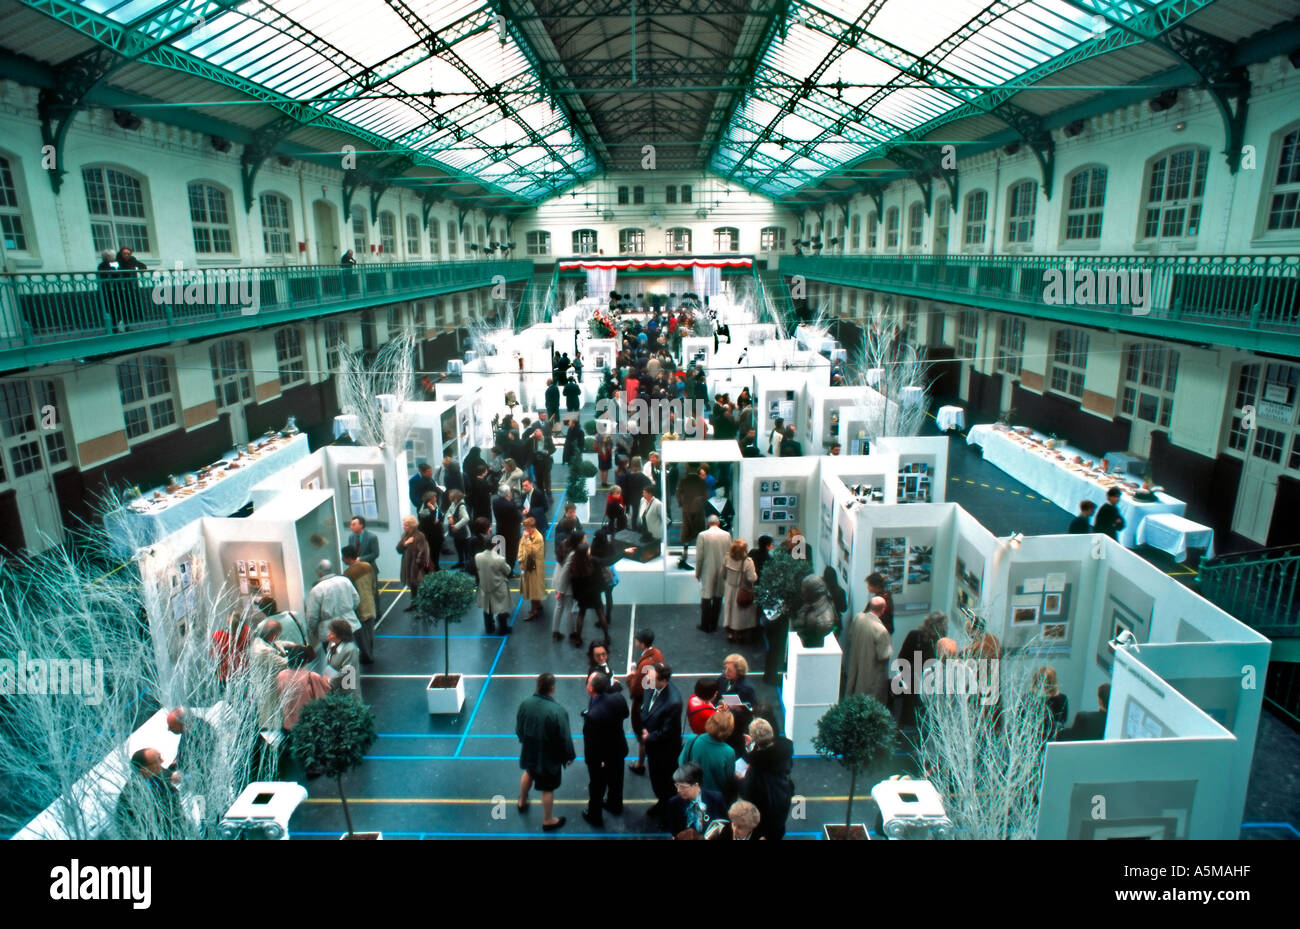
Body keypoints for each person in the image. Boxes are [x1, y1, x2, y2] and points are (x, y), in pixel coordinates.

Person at [516, 672, 576, 832]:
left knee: (529, 773)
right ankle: (548, 820)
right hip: (549, 757)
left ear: (538, 685)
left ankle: (522, 801)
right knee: (547, 788)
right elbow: (564, 737)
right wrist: (569, 756)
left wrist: (525, 741)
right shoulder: (558, 711)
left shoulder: (525, 703)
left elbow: (519, 729)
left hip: (530, 750)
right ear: (552, 688)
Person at [581, 671, 629, 828]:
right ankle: (615, 805)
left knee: (596, 787)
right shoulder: (618, 698)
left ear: (591, 689)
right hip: (618, 748)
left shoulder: (592, 716)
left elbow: (592, 744)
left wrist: (597, 761)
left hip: (601, 758)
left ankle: (594, 816)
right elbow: (625, 714)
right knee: (617, 780)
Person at [739, 717, 794, 840]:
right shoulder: (784, 752)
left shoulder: (756, 767)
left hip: (764, 818)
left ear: (753, 738)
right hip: (781, 805)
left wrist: (741, 779)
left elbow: (747, 794)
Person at [115, 747, 188, 839]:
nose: (162, 761)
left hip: (178, 828)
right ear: (144, 770)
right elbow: (126, 827)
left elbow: (170, 776)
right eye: (157, 760)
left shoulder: (155, 771)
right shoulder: (131, 796)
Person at [641, 661, 683, 819]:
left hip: (665, 751)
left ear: (663, 681)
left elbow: (667, 731)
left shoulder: (673, 702)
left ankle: (668, 811)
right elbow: (645, 708)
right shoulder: (651, 686)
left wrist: (648, 736)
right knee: (656, 779)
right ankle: (662, 802)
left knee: (667, 783)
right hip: (653, 747)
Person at [896, 610, 947, 727]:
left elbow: (901, 659)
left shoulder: (915, 636)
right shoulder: (939, 643)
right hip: (927, 686)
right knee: (923, 720)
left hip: (915, 685)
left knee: (909, 717)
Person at [679, 708, 737, 803]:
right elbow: (728, 780)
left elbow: (681, 762)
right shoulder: (729, 752)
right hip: (714, 798)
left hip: (692, 793)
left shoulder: (692, 739)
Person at [305, 560, 361, 660]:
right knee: (350, 656)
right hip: (349, 625)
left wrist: (313, 631)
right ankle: (352, 675)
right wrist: (348, 611)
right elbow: (356, 599)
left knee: (334, 660)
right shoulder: (345, 581)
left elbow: (312, 616)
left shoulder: (317, 590)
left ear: (319, 573)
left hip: (329, 631)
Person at [626, 629, 663, 776]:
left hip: (643, 704)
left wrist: (631, 677)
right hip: (655, 699)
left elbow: (636, 691)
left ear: (641, 643)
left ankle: (640, 764)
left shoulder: (645, 663)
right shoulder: (657, 654)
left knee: (642, 734)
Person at [846, 596, 893, 704]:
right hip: (871, 675)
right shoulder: (881, 630)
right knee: (869, 703)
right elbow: (884, 655)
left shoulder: (858, 618)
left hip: (855, 667)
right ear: (883, 609)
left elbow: (850, 635)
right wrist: (889, 648)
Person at [665, 762, 727, 837]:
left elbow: (724, 825)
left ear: (696, 785)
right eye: (677, 785)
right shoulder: (674, 803)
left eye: (682, 787)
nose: (678, 790)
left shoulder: (716, 799)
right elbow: (674, 831)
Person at [566, 542, 609, 647]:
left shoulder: (574, 564)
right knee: (600, 613)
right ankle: (606, 636)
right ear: (586, 551)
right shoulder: (593, 561)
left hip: (582, 594)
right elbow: (606, 561)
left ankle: (578, 638)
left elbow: (574, 581)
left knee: (581, 614)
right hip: (594, 593)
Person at [695, 514, 732, 633]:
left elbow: (699, 557)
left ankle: (705, 625)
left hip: (707, 569)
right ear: (719, 523)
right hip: (722, 569)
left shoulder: (702, 535)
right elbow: (730, 555)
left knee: (706, 597)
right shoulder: (727, 535)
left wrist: (698, 572)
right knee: (718, 597)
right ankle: (714, 624)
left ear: (708, 523)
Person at [250, 619, 289, 730]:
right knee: (271, 718)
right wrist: (298, 655)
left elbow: (280, 644)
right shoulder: (262, 650)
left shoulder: (265, 641)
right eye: (278, 635)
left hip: (273, 687)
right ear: (273, 634)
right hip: (268, 689)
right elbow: (283, 663)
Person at [341, 545, 377, 664]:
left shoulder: (348, 574)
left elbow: (349, 594)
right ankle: (370, 653)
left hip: (358, 608)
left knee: (361, 635)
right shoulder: (367, 566)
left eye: (343, 557)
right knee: (370, 632)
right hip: (370, 603)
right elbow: (373, 584)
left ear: (347, 557)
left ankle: (366, 656)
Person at [475, 532, 513, 636]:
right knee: (502, 608)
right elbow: (507, 570)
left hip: (484, 585)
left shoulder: (478, 556)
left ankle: (489, 627)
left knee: (487, 608)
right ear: (495, 545)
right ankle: (503, 628)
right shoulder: (499, 559)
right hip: (498, 587)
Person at [722, 539, 759, 643]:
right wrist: (756, 576)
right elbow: (752, 578)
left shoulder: (727, 558)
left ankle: (730, 633)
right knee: (741, 612)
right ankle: (740, 634)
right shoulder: (748, 562)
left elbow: (723, 574)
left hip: (729, 588)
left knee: (729, 611)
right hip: (742, 590)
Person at [675, 463, 708, 569]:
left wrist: (682, 504)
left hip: (687, 509)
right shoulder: (701, 481)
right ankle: (701, 555)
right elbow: (706, 495)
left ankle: (685, 552)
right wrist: (701, 504)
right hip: (698, 510)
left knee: (687, 530)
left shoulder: (684, 481)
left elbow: (678, 494)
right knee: (699, 531)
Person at [397, 516, 432, 612]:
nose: (404, 526)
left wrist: (417, 564)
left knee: (419, 587)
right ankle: (414, 604)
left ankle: (422, 608)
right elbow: (398, 549)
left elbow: (423, 552)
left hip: (416, 568)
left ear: (411, 526)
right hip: (407, 565)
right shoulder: (405, 535)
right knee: (412, 587)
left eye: (406, 525)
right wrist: (405, 543)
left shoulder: (420, 536)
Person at [325, 619, 362, 701]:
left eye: (332, 633)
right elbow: (329, 663)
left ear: (340, 635)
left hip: (347, 688)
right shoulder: (331, 644)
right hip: (334, 688)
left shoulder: (350, 649)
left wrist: (329, 682)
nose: (328, 635)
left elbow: (346, 672)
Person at [518, 516, 547, 622]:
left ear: (532, 527)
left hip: (535, 567)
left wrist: (526, 539)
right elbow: (521, 547)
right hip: (526, 565)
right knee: (532, 587)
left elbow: (531, 551)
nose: (524, 530)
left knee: (533, 589)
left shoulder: (538, 537)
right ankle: (538, 604)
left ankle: (533, 610)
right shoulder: (527, 534)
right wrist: (521, 561)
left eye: (526, 528)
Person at [492, 484, 523, 573]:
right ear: (508, 494)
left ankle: (501, 568)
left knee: (502, 552)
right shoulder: (510, 506)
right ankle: (509, 572)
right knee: (511, 554)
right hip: (512, 533)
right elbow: (519, 517)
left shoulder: (495, 502)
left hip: (501, 530)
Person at [1035, 666, 1069, 739]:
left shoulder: (1028, 699)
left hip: (1032, 739)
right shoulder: (1063, 698)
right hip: (1053, 739)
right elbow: (1063, 720)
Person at [418, 491, 445, 573]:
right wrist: (434, 511)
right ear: (430, 499)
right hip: (430, 536)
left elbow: (441, 517)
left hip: (437, 535)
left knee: (436, 552)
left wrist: (435, 512)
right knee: (431, 552)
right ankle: (431, 568)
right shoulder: (424, 510)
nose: (436, 499)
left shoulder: (435, 506)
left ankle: (436, 566)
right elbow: (435, 520)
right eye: (434, 497)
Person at [445, 489, 472, 571]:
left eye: (451, 497)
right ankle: (460, 562)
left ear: (456, 498)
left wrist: (456, 526)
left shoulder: (461, 506)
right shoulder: (454, 503)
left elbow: (466, 518)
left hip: (463, 533)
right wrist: (449, 517)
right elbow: (448, 511)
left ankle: (467, 566)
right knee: (458, 548)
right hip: (457, 533)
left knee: (466, 551)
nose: (450, 499)